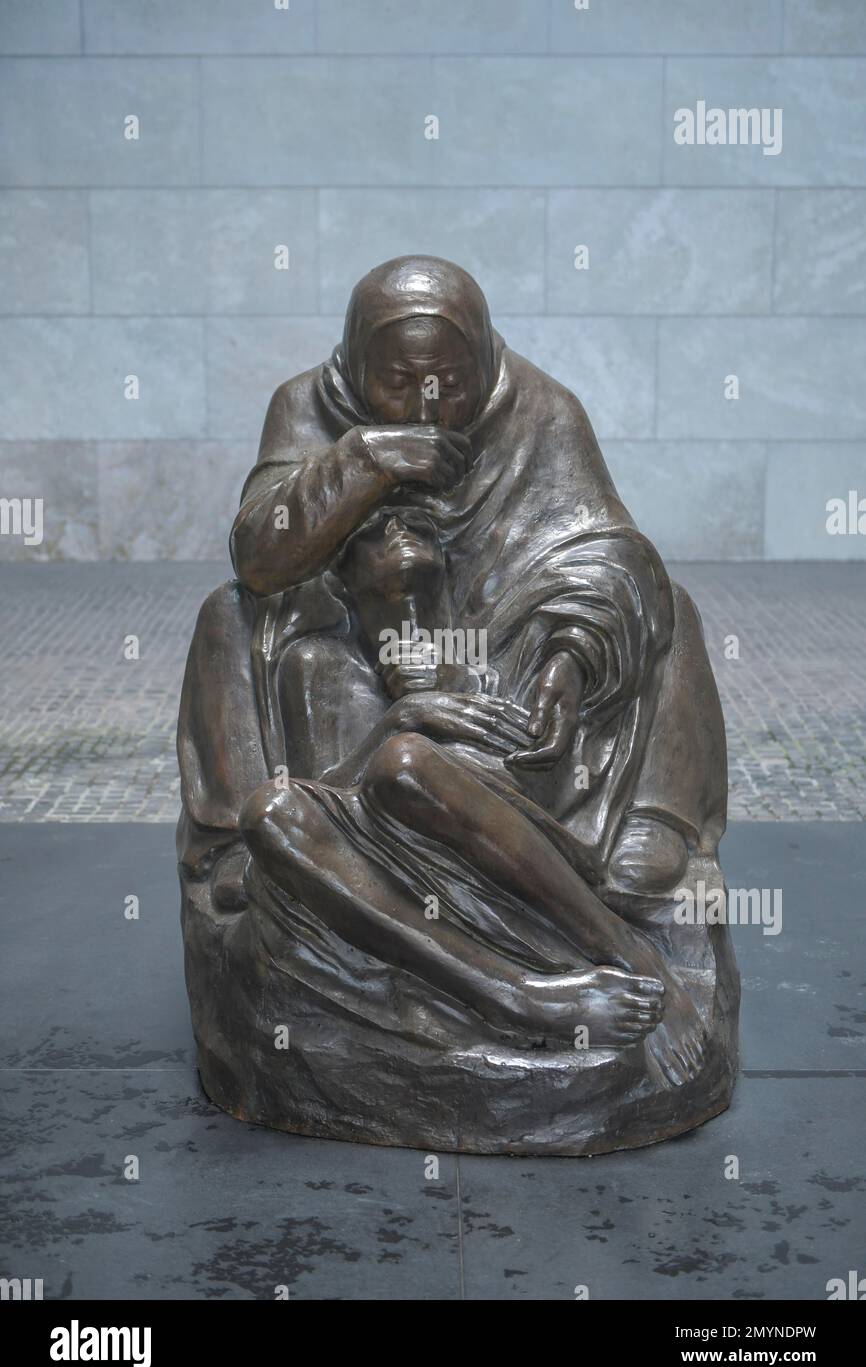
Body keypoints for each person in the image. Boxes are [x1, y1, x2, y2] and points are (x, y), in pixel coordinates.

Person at [177, 255, 729, 1096]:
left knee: (665, 605)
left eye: (450, 380)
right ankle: (240, 848)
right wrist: (364, 461)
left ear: (485, 362)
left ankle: (646, 827)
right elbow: (261, 557)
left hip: (502, 664)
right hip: (355, 659)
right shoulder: (308, 406)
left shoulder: (542, 410)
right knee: (227, 616)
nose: (429, 402)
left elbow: (604, 552)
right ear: (357, 368)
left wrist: (569, 660)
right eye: (399, 381)